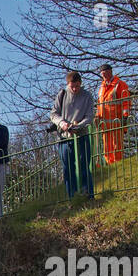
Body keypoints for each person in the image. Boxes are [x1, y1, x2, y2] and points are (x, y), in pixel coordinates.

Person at [51, 71, 96, 200]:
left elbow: (89, 116)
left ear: (80, 83)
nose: (75, 89)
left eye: (77, 86)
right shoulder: (62, 94)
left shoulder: (87, 96)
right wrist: (63, 124)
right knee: (68, 169)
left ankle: (88, 195)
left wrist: (78, 126)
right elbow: (53, 114)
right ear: (68, 84)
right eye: (72, 87)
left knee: (84, 166)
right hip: (64, 137)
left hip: (81, 135)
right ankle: (73, 197)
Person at [95, 65, 131, 163]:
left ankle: (118, 164)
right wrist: (97, 116)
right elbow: (99, 104)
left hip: (117, 121)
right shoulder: (102, 87)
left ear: (110, 71)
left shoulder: (120, 84)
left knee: (116, 146)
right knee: (107, 147)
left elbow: (126, 102)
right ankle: (110, 164)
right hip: (105, 124)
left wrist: (125, 116)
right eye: (102, 73)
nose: (104, 75)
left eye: (105, 72)